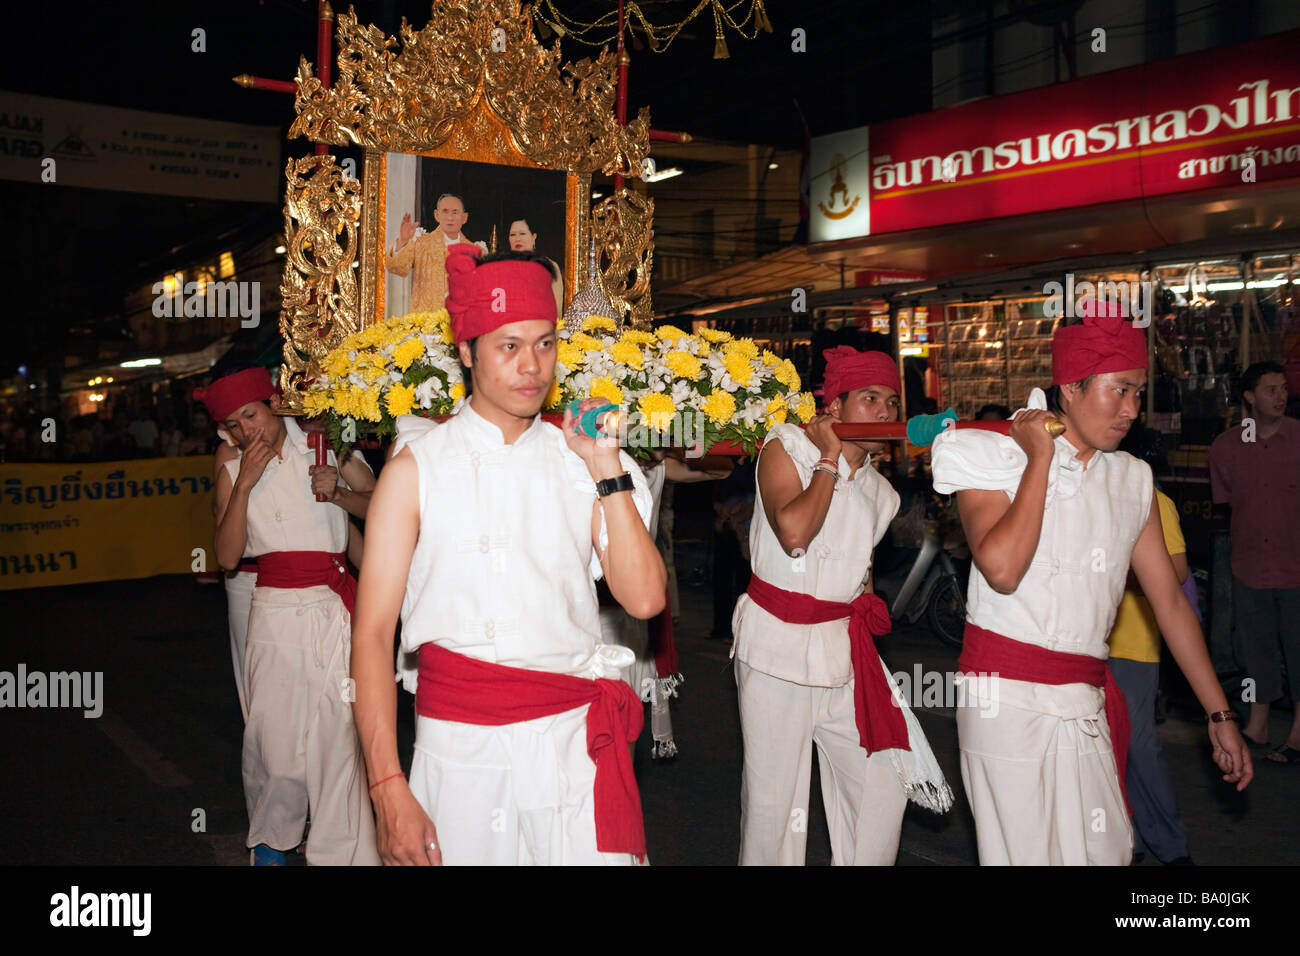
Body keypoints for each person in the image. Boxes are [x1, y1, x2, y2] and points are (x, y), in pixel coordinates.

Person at [351, 244, 666, 866]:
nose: (532, 366)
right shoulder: (417, 472)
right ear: (466, 352)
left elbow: (646, 597)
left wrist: (604, 466)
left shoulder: (585, 457)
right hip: (461, 751)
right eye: (509, 346)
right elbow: (372, 635)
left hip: (574, 740)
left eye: (545, 343)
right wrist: (388, 790)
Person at [931, 301, 1252, 866]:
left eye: (1138, 392)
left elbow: (1170, 607)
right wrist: (1037, 462)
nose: (1132, 409)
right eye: (1119, 390)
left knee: (1106, 851)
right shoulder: (988, 454)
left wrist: (1219, 714)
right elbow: (1002, 570)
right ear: (1070, 389)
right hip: (1003, 698)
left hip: (1086, 698)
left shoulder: (1133, 479)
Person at [731, 345, 952, 866]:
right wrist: (829, 458)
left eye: (892, 402)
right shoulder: (785, 447)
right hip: (774, 652)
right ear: (834, 407)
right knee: (774, 811)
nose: (884, 412)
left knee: (881, 787)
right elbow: (793, 533)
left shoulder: (882, 493)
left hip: (844, 657)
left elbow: (859, 577)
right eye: (870, 398)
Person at [204, 366, 380, 866]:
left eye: (252, 414)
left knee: (338, 741)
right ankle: (272, 838)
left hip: (333, 608)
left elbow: (386, 505)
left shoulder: (328, 444)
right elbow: (227, 557)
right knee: (276, 745)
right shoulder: (234, 470)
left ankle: (343, 854)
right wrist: (244, 487)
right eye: (235, 425)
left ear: (275, 402)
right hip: (275, 613)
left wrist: (341, 493)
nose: (247, 431)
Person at [1106, 431, 1194, 865]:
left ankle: (1172, 847)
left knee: (1139, 748)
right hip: (1089, 644)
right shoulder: (1093, 494)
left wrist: (1107, 572)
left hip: (1133, 644)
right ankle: (1130, 840)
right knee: (1105, 750)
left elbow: (1175, 571)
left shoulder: (1154, 501)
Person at [1209, 360, 1300, 764]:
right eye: (1270, 390)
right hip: (1250, 565)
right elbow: (1228, 501)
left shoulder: (1299, 438)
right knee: (1254, 650)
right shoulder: (1227, 446)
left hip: (1296, 565)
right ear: (1249, 396)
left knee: (1297, 651)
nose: (1280, 397)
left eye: (1283, 389)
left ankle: (1298, 735)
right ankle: (1258, 724)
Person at [386, 193, 487, 312]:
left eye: (455, 212)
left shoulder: (475, 251)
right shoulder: (422, 243)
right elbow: (398, 268)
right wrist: (403, 241)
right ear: (436, 215)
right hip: (427, 324)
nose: (450, 218)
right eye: (445, 211)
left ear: (464, 217)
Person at [507, 218, 564, 316]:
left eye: (522, 234)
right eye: (513, 235)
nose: (517, 239)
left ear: (533, 237)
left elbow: (556, 309)